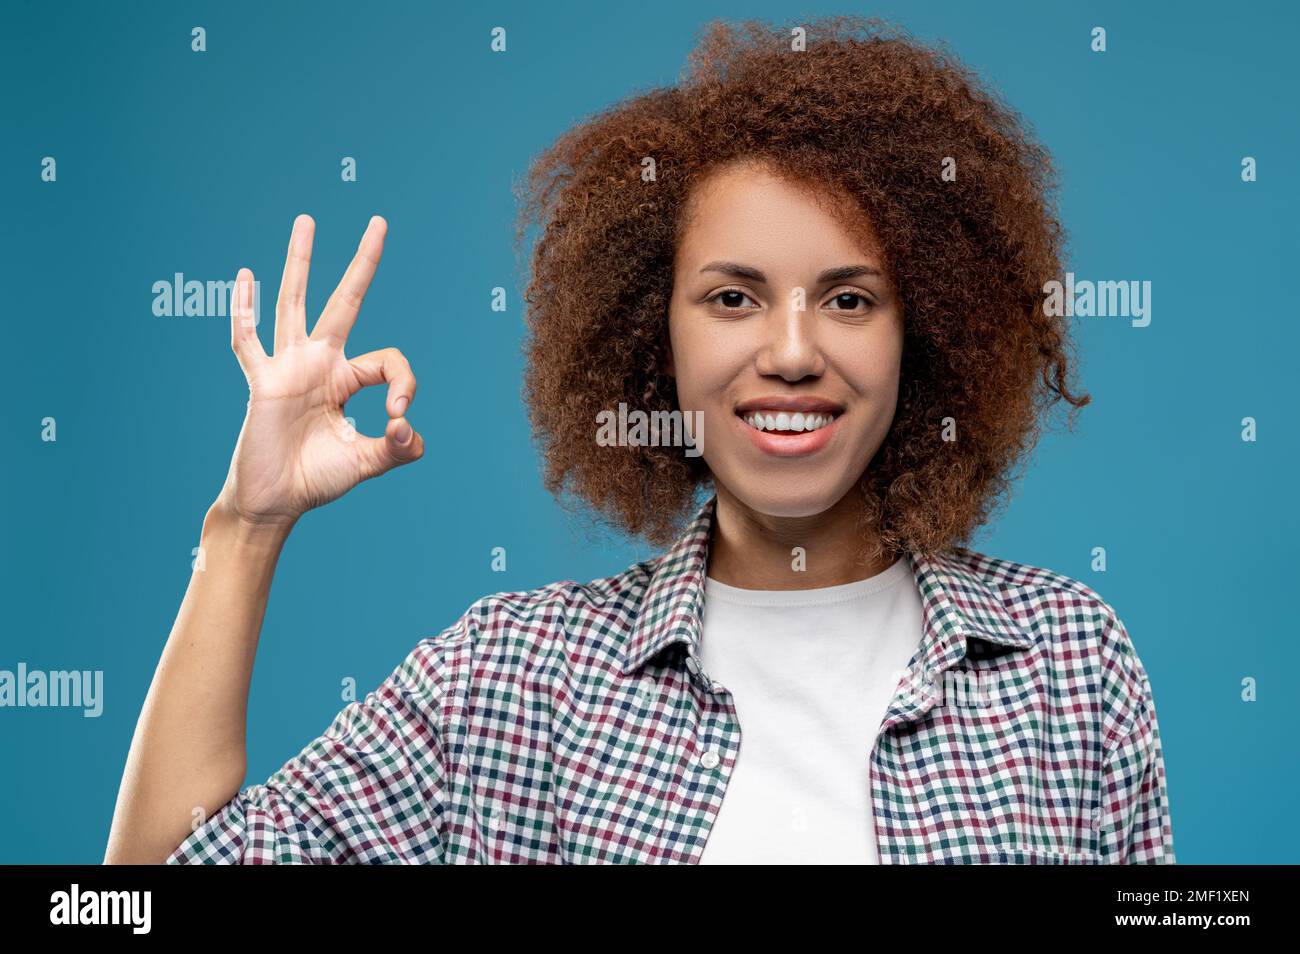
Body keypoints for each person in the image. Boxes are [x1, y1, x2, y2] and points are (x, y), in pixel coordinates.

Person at [105, 16, 1173, 864]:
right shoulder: (513, 686)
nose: (791, 353)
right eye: (731, 298)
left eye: (849, 300)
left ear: (923, 334)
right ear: (651, 332)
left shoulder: (1069, 668)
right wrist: (246, 527)